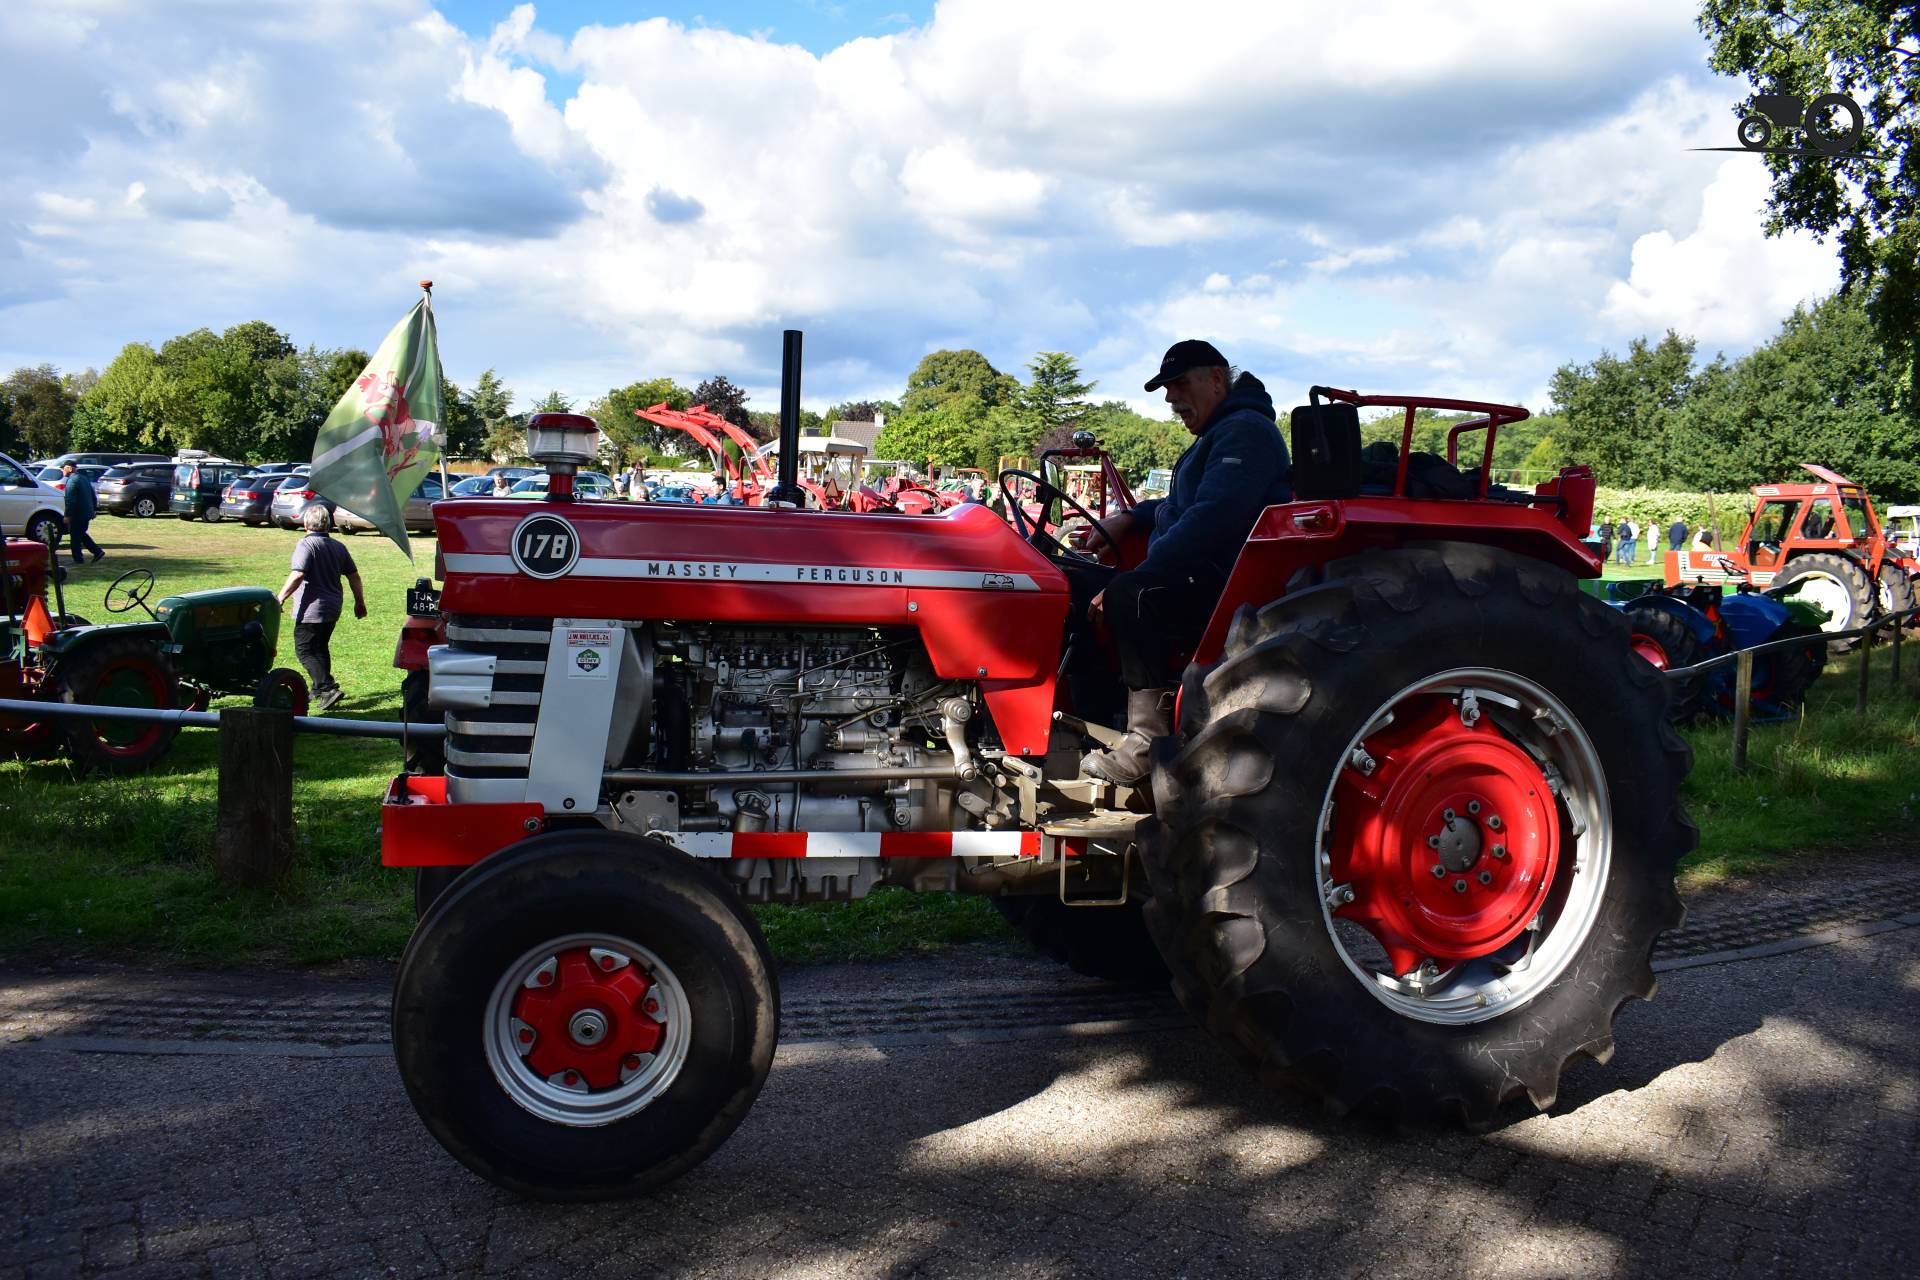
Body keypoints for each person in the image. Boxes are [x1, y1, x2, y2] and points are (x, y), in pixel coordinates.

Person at [1073, 340, 1292, 785]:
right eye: (1167, 388)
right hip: (1200, 567)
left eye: (1179, 384)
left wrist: (1140, 572)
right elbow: (1182, 503)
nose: (1171, 398)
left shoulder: (1245, 431)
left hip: (1222, 578)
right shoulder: (1219, 431)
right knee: (1070, 582)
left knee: (1129, 594)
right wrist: (1130, 516)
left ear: (1216, 379)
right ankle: (1079, 722)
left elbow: (1214, 516)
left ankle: (1146, 743)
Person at [276, 506, 367, 713]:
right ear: (328, 524)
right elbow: (354, 576)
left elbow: (298, 574)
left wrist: (280, 597)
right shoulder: (338, 546)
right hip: (332, 606)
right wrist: (359, 602)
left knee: (305, 650)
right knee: (319, 647)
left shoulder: (306, 545)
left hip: (312, 608)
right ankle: (318, 687)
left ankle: (327, 688)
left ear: (306, 524)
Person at [60, 463, 104, 564]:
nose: (62, 471)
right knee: (80, 534)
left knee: (75, 536)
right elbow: (93, 496)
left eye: (63, 469)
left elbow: (70, 500)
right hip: (86, 513)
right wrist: (93, 509)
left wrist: (67, 515)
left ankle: (78, 560)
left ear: (70, 468)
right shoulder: (84, 478)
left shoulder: (72, 480)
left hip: (77, 514)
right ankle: (97, 552)